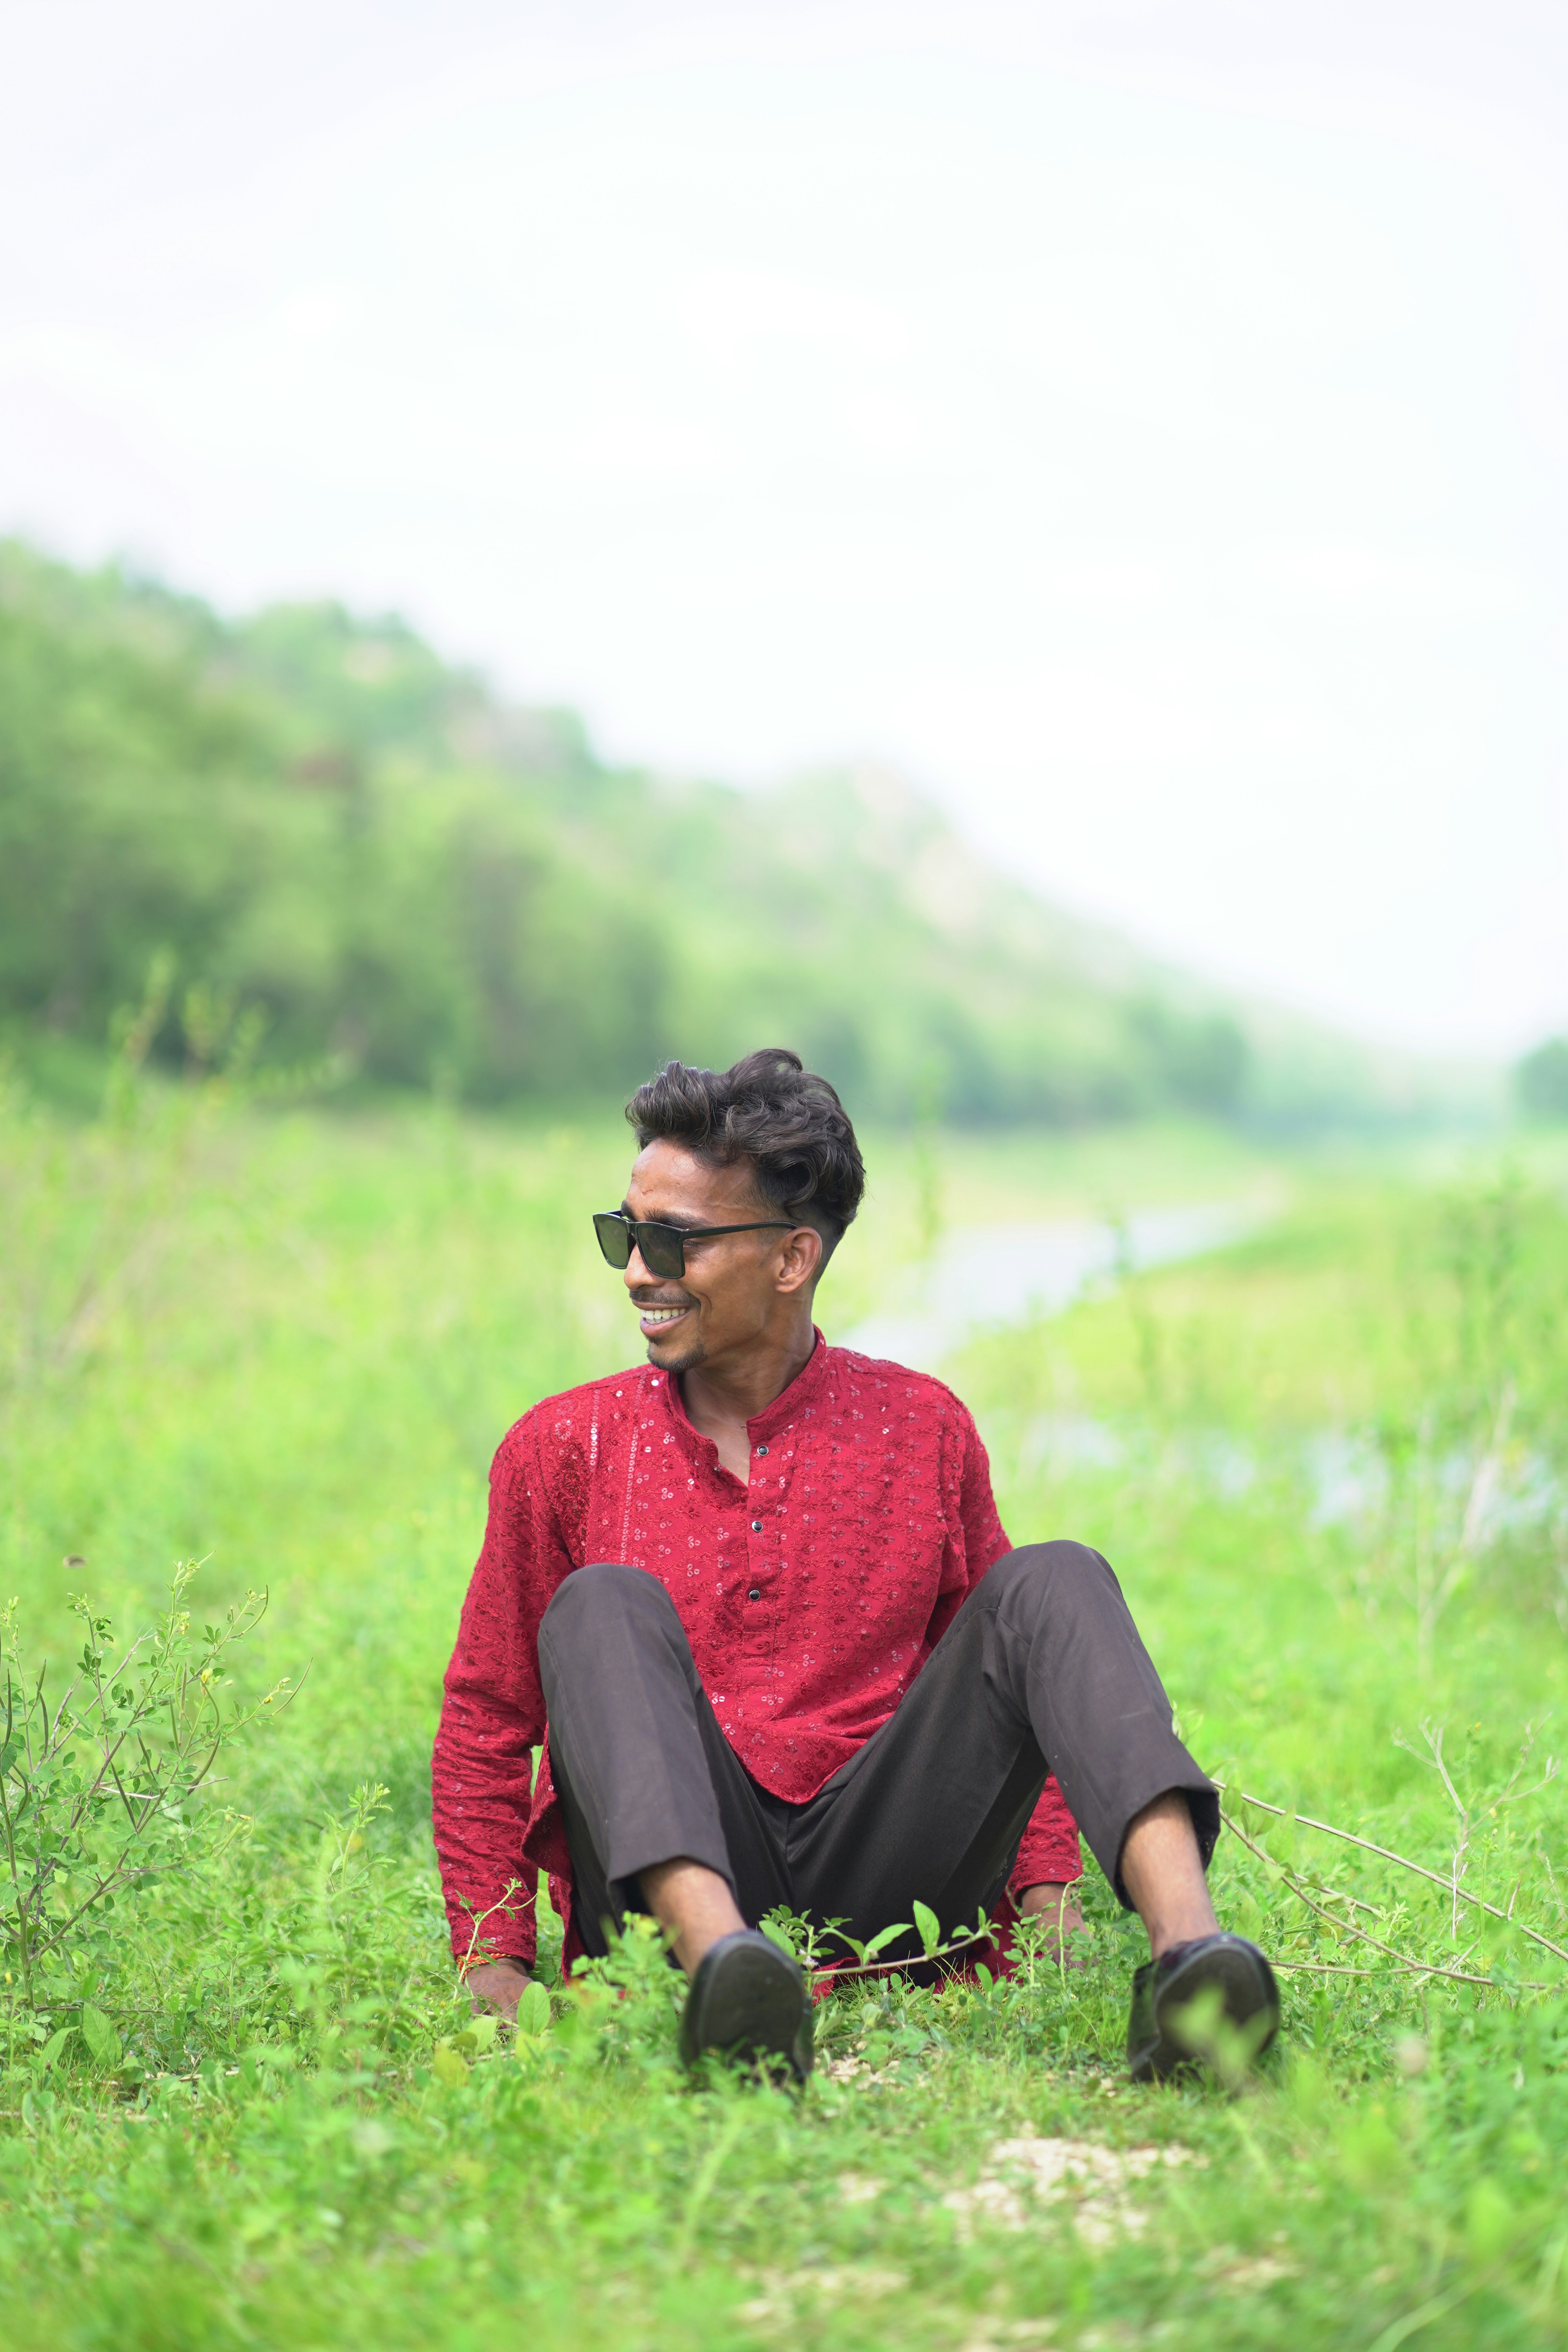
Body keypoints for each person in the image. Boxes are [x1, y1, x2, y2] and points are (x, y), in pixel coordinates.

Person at [432, 1049, 1278, 2083]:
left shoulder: (920, 1426)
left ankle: (1195, 1969)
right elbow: (486, 1715)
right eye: (625, 1233)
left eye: (671, 1242)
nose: (638, 1271)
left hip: (886, 1874)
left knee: (1055, 1579)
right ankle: (726, 1984)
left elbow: (1024, 1684)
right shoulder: (566, 1448)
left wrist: (1047, 1888)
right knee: (602, 1604)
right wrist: (492, 1957)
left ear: (790, 1260)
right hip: (665, 1886)